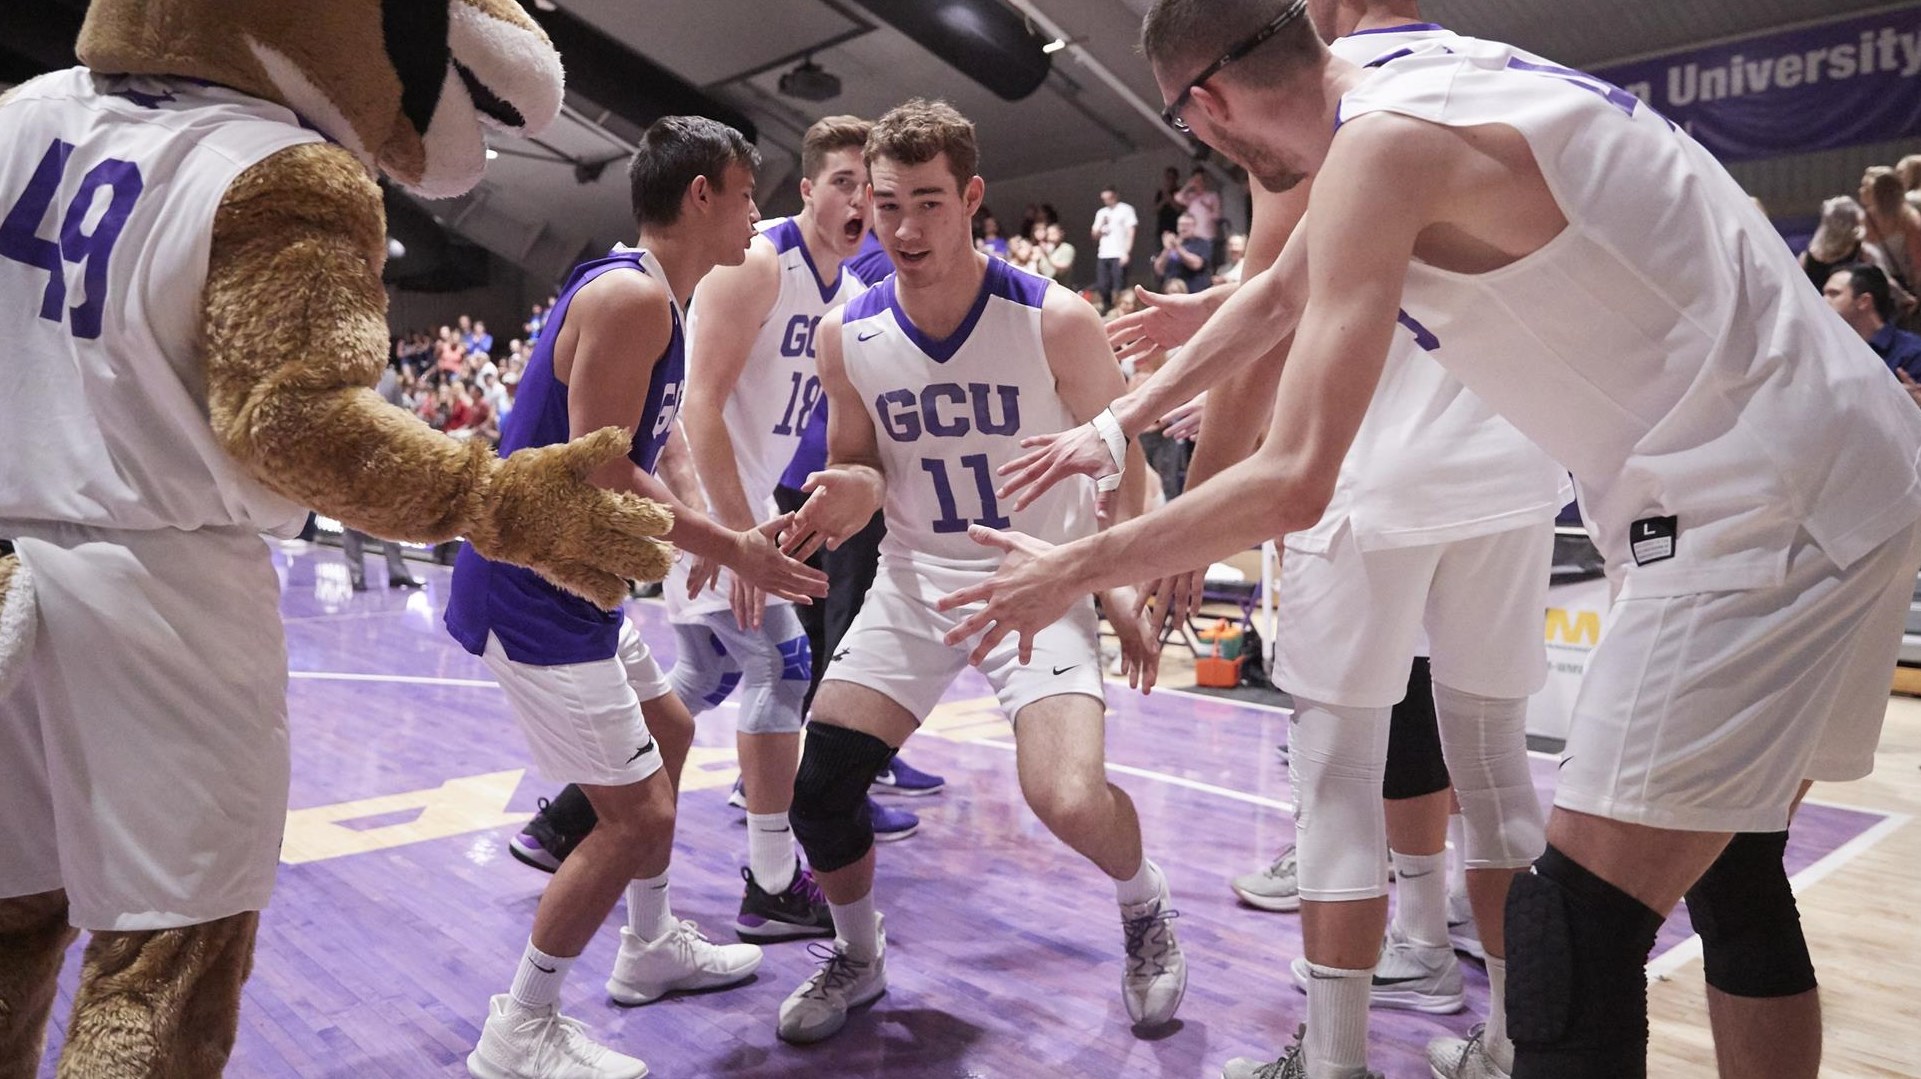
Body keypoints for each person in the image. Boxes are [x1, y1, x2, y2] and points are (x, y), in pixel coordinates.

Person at [953, 3, 1921, 1077]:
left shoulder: (1378, 149)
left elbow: (1294, 476)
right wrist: (1111, 427)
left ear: (1208, 105)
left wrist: (1074, 567)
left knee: (1574, 932)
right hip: (1857, 459)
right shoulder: (1411, 75)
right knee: (1733, 873)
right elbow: (1275, 295)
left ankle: (1350, 1040)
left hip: (1755, 503)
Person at [1131, 8, 1562, 1077]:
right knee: (1497, 772)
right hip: (1510, 458)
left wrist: (1199, 516)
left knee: (1334, 780)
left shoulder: (1309, 104)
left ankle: (1333, 1060)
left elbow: (1269, 332)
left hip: (1368, 476)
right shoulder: (1491, 70)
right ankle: (1511, 1043)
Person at [770, 98, 1181, 1046]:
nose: (904, 228)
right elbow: (859, 463)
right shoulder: (846, 333)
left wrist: (1118, 584)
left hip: (1040, 579)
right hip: (916, 580)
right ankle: (859, 954)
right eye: (886, 205)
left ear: (970, 199)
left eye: (928, 202)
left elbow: (1126, 463)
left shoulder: (1055, 318)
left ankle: (1144, 905)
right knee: (818, 791)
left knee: (1066, 797)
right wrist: (848, 492)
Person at [443, 116, 829, 1079]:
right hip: (533, 587)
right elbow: (601, 467)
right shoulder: (632, 298)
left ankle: (649, 947)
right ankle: (519, 1026)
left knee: (672, 727)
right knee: (638, 817)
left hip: (572, 580)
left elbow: (654, 442)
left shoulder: (653, 294)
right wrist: (725, 544)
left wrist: (702, 530)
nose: (754, 214)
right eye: (745, 193)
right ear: (700, 195)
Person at [1824, 262, 1921, 388]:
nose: (1823, 301)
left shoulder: (1912, 353)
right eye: (1824, 294)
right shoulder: (1828, 350)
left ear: (1864, 301)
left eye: (1834, 294)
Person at [1092, 183, 1139, 309]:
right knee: (1103, 285)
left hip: (1119, 253)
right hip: (1103, 253)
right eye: (1104, 199)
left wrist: (1127, 252)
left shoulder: (1126, 209)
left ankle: (1120, 309)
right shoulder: (1101, 212)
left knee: (1119, 285)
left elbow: (1131, 232)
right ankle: (1107, 307)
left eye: (1109, 198)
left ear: (1115, 196)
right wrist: (1101, 224)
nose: (1107, 201)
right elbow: (1094, 235)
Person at [1154, 212, 1213, 292]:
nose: (1184, 228)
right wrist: (1167, 249)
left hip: (1193, 290)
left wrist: (1178, 248)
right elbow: (1159, 269)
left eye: (1187, 225)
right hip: (1171, 290)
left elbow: (1196, 265)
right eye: (1181, 225)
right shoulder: (1170, 243)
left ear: (1194, 226)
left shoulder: (1202, 243)